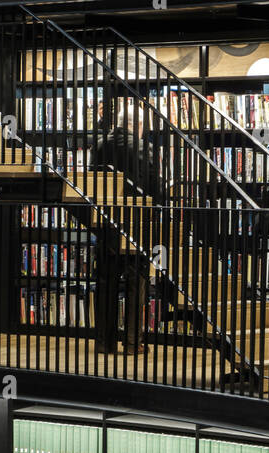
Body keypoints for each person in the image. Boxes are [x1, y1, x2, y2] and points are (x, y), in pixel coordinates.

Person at [91, 102, 157, 354]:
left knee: (106, 281)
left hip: (106, 223)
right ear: (137, 125)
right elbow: (154, 188)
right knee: (135, 282)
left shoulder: (98, 145)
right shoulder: (144, 147)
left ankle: (103, 342)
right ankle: (132, 342)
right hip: (135, 224)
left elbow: (92, 183)